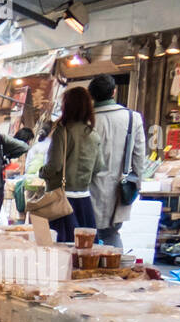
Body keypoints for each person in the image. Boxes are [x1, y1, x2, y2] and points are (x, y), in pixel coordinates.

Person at [88, 74, 147, 249]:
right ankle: (115, 271)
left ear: (91, 95)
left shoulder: (86, 119)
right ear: (114, 91)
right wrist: (137, 184)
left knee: (85, 236)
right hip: (119, 189)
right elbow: (139, 156)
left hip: (88, 188)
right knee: (111, 234)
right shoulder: (132, 118)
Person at [40, 86, 105, 243]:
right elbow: (99, 166)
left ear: (67, 106)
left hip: (61, 200)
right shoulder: (92, 134)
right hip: (84, 200)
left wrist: (42, 172)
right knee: (84, 250)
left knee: (60, 250)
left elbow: (54, 166)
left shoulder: (62, 132)